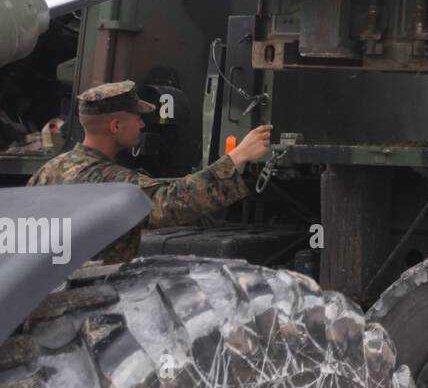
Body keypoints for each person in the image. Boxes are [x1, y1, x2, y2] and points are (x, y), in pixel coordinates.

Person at [28, 80, 271, 264]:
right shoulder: (110, 182)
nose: (142, 124)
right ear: (116, 126)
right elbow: (173, 201)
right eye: (137, 118)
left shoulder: (48, 171)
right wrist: (237, 157)